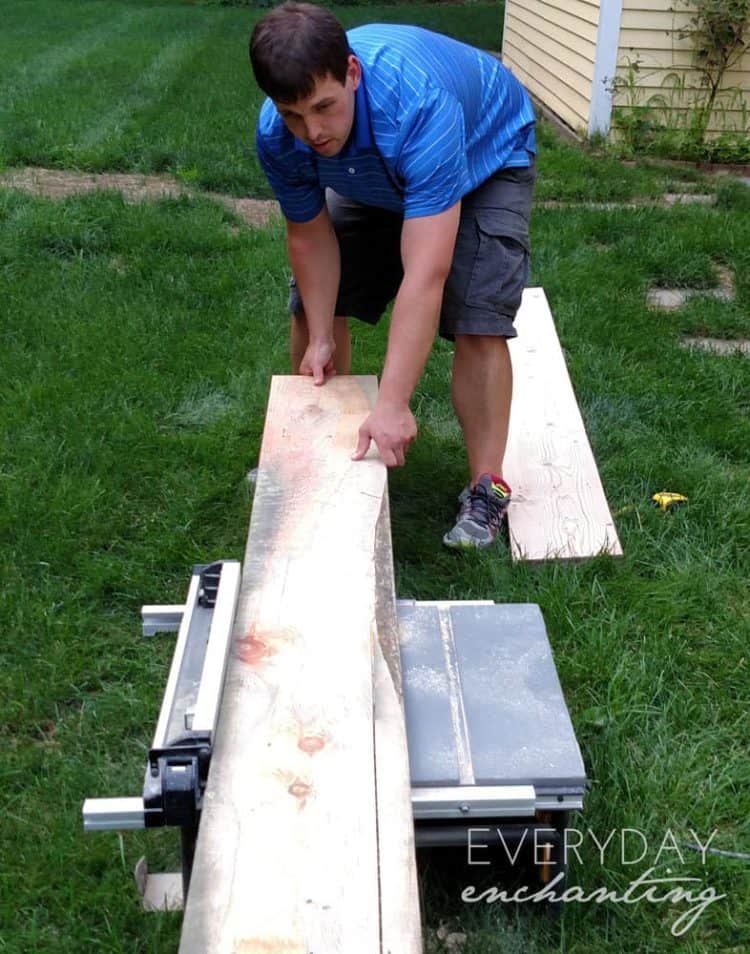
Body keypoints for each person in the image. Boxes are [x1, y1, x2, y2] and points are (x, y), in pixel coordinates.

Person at [249, 2, 535, 549]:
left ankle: (487, 489)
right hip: (376, 170)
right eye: (293, 115)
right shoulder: (278, 133)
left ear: (352, 73)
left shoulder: (419, 105)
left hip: (486, 157)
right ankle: (313, 453)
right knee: (311, 309)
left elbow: (425, 273)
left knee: (478, 317)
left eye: (324, 107)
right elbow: (309, 236)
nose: (312, 131)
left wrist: (393, 402)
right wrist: (321, 335)